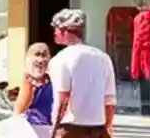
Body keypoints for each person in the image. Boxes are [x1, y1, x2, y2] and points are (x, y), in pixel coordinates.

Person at [49, 9, 116, 138]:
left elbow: (62, 98)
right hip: (98, 127)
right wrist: (107, 128)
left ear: (65, 31)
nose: (54, 32)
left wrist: (55, 129)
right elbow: (109, 101)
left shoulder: (61, 59)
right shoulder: (103, 57)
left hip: (71, 128)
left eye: (57, 29)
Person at [13, 43, 55, 138]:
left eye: (44, 55)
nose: (40, 60)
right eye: (37, 55)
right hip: (33, 128)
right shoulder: (28, 81)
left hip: (52, 127)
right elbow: (19, 109)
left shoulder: (55, 78)